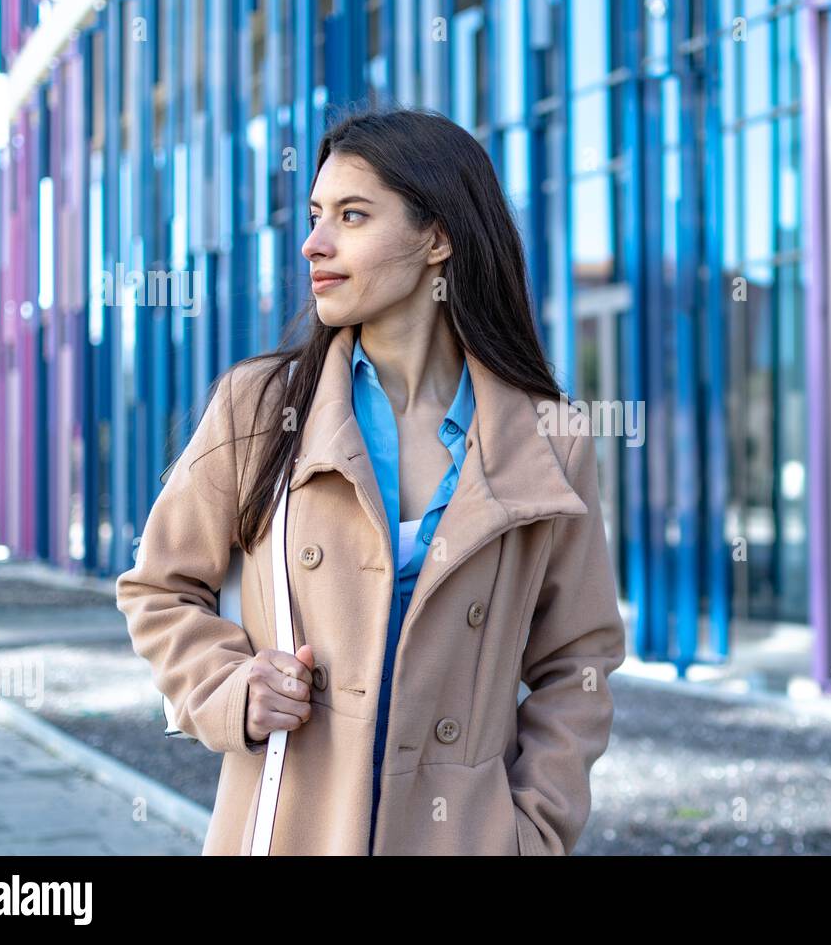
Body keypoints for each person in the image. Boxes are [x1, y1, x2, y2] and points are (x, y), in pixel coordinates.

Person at [116, 108, 627, 855]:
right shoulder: (259, 407)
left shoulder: (550, 437)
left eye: (352, 216)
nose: (314, 242)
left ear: (438, 237)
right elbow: (158, 588)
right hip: (289, 829)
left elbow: (576, 662)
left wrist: (533, 827)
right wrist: (230, 687)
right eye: (317, 214)